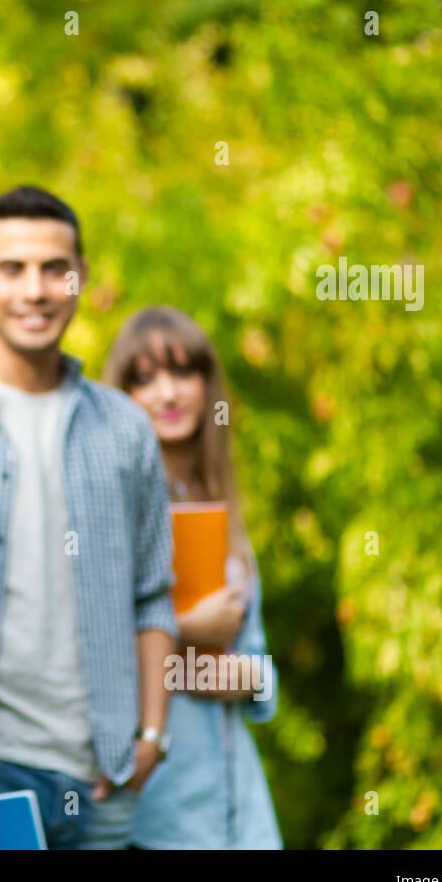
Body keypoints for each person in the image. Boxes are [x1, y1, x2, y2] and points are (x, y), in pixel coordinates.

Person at [0, 185, 177, 849]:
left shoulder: (124, 426)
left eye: (54, 269)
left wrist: (150, 737)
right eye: (13, 269)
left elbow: (153, 595)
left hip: (104, 777)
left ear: (82, 278)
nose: (36, 289)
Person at [103, 305, 283, 849]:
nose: (168, 393)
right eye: (146, 377)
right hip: (155, 807)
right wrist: (184, 630)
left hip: (237, 810)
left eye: (183, 372)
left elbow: (257, 660)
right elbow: (88, 654)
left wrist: (251, 679)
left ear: (207, 384)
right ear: (123, 394)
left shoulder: (222, 507)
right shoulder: (111, 505)